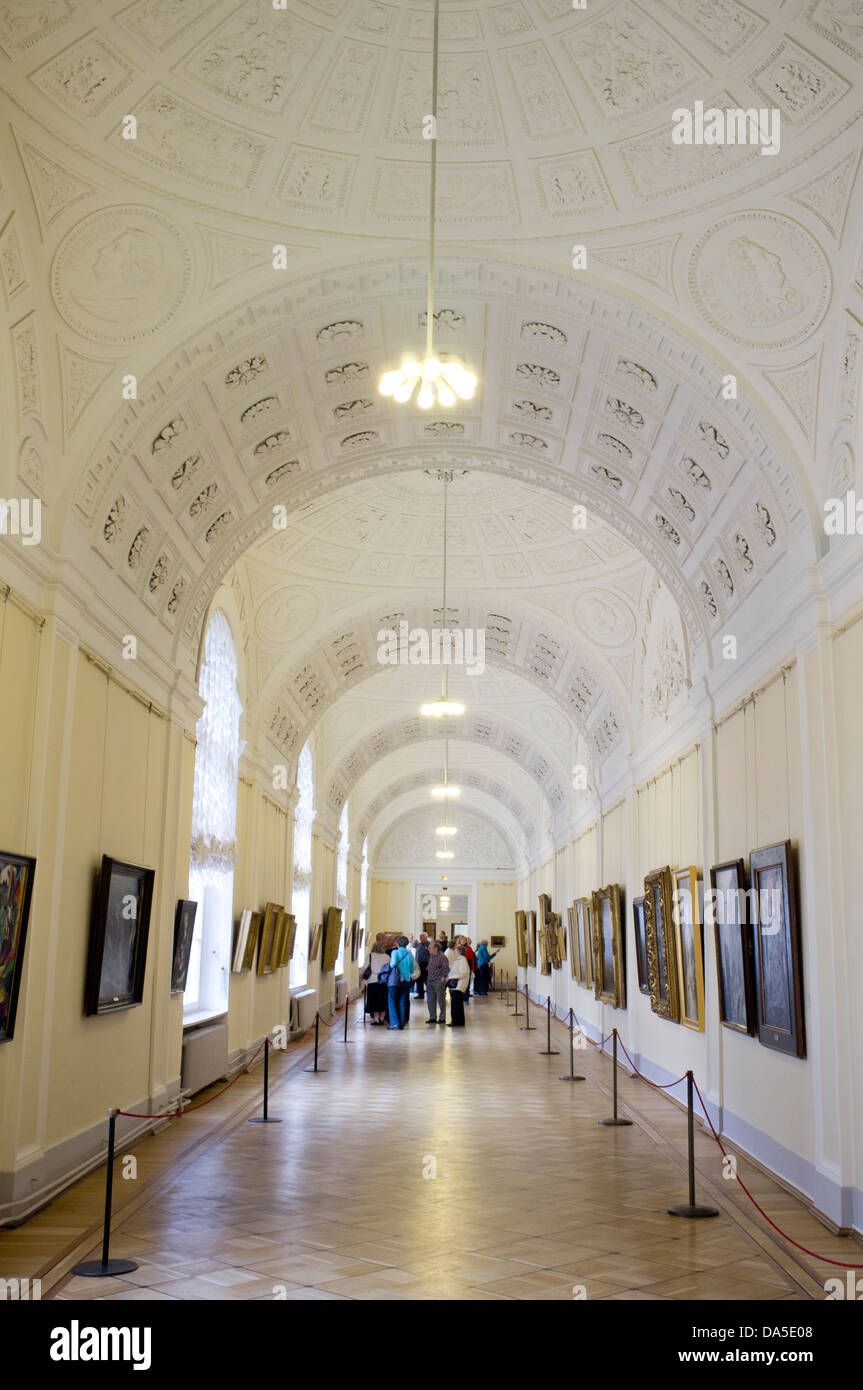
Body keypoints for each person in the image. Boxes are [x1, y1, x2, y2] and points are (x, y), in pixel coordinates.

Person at [361, 936, 392, 1024]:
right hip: (384, 981)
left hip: (372, 980)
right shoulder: (387, 956)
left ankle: (376, 1018)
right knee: (383, 999)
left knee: (373, 1000)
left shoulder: (370, 956)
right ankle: (382, 1017)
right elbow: (390, 968)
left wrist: (361, 976)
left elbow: (364, 968)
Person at [387, 935, 414, 1029]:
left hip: (395, 980)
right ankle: (402, 1023)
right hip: (406, 980)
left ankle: (395, 1023)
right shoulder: (409, 954)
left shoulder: (395, 952)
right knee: (403, 1002)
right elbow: (412, 969)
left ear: (397, 943)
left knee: (392, 1001)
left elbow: (392, 964)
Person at [425, 939, 449, 1025]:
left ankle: (442, 1018)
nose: (428, 949)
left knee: (441, 1000)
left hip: (438, 980)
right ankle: (432, 1017)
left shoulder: (442, 957)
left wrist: (444, 977)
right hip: (430, 980)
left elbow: (446, 968)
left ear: (436, 948)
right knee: (430, 1000)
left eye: (430, 948)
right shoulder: (431, 956)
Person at [447, 945, 470, 1027]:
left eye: (455, 951)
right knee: (456, 1004)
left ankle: (456, 1021)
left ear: (458, 952)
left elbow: (463, 973)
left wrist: (451, 977)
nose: (454, 952)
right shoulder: (458, 960)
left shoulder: (461, 960)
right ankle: (457, 1021)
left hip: (458, 986)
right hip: (457, 986)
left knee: (456, 1005)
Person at [414, 932, 430, 999]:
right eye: (420, 937)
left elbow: (432, 956)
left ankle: (430, 995)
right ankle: (420, 994)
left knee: (427, 980)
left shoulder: (430, 945)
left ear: (426, 937)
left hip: (426, 964)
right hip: (418, 964)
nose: (420, 939)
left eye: (422, 937)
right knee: (419, 980)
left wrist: (429, 965)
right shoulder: (419, 945)